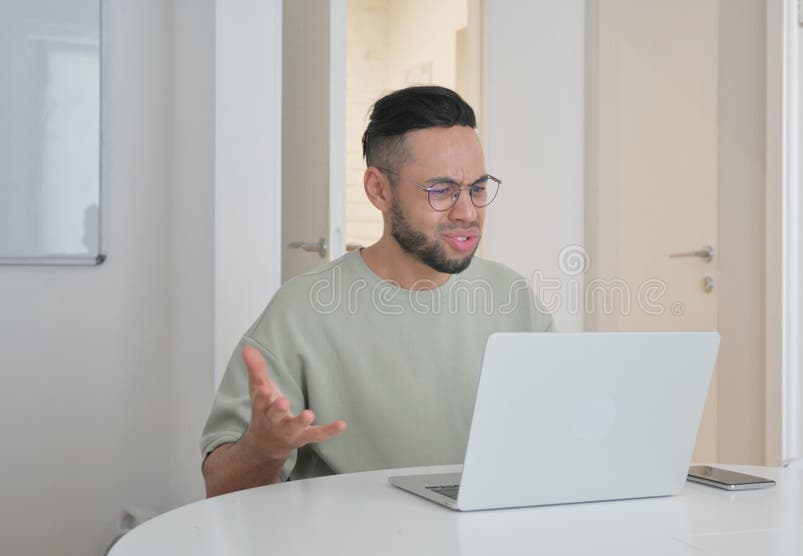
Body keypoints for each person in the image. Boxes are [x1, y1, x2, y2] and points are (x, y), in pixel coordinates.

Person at [200, 85, 552, 497]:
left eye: (477, 188)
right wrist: (263, 448)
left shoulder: (513, 297)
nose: (467, 212)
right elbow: (220, 488)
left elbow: (555, 441)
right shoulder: (301, 312)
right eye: (441, 190)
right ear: (379, 190)